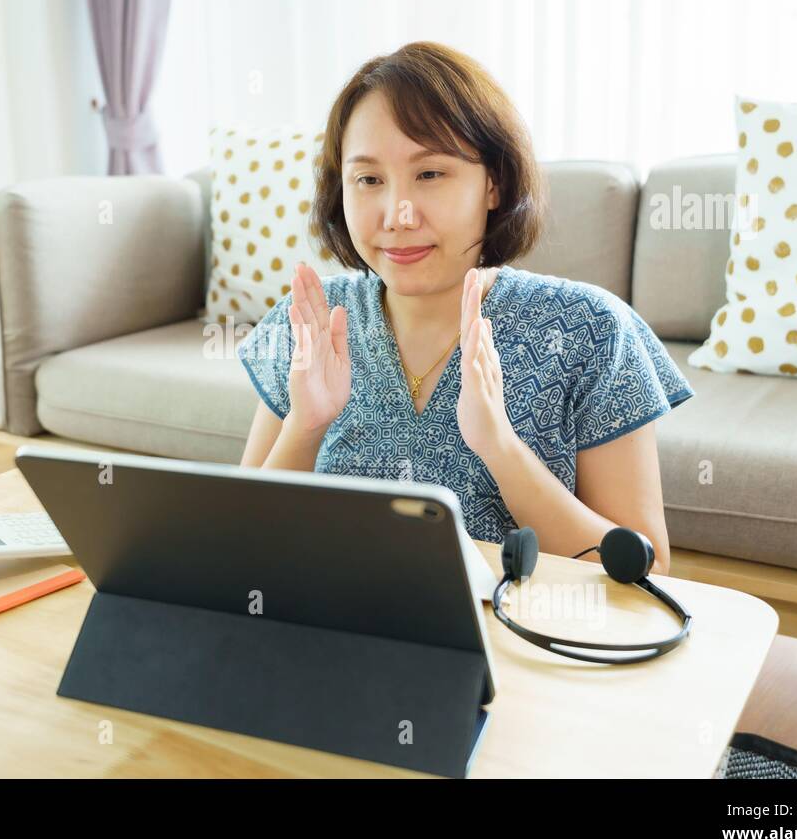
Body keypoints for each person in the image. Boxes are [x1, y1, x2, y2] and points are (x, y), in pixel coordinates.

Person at [236, 41, 694, 575]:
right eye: (368, 180)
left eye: (430, 174)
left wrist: (500, 448)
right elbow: (243, 544)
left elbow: (647, 567)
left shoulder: (591, 330)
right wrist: (305, 426)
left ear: (493, 184)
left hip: (513, 649)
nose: (397, 214)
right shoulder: (312, 324)